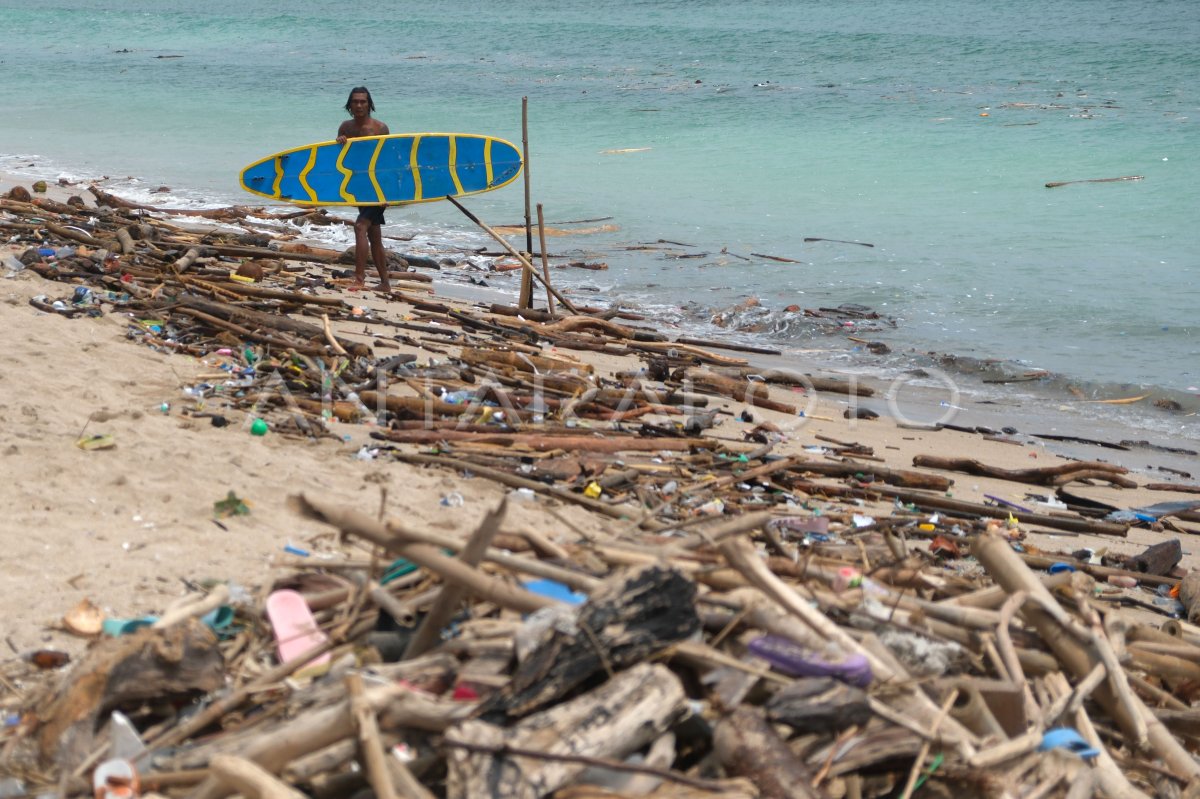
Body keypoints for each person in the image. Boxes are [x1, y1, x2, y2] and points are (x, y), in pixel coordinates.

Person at [336, 86, 391, 291]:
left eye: (363, 101)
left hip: (378, 188)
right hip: (360, 187)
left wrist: (388, 192)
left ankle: (359, 279)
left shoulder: (380, 128)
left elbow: (388, 162)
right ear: (350, 105)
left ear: (369, 104)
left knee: (360, 227)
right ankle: (385, 284)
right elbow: (342, 161)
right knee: (374, 234)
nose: (359, 105)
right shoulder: (345, 128)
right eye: (355, 101)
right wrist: (341, 143)